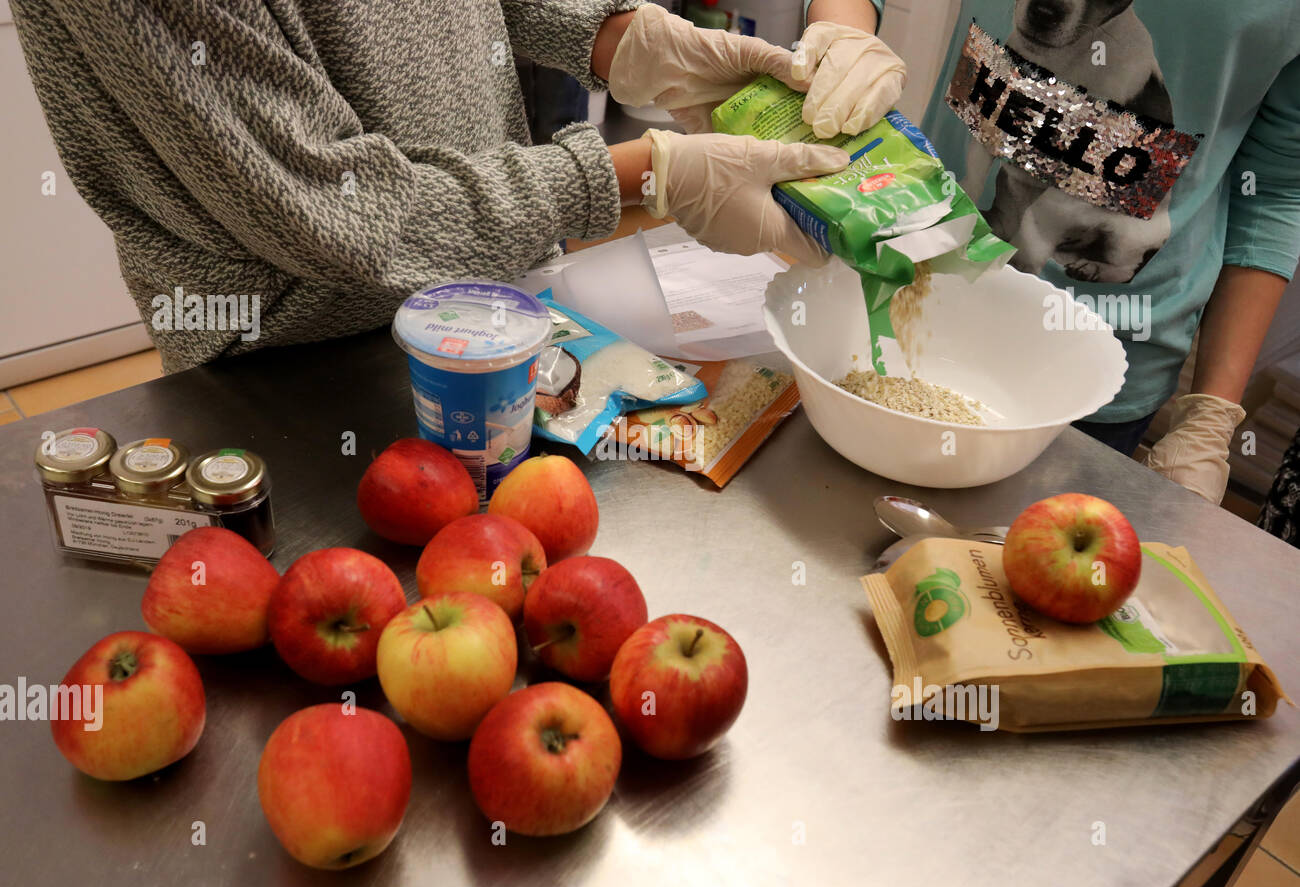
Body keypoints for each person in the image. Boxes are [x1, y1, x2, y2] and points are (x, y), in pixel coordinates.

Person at [10, 1, 887, 374]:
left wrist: (622, 37)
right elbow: (342, 217)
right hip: (305, 372)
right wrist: (651, 175)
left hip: (500, 296)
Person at [786, 0, 1300, 505]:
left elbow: (1277, 186)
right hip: (910, 271)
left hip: (1093, 357)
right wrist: (843, 38)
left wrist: (1210, 415)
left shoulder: (1130, 63)